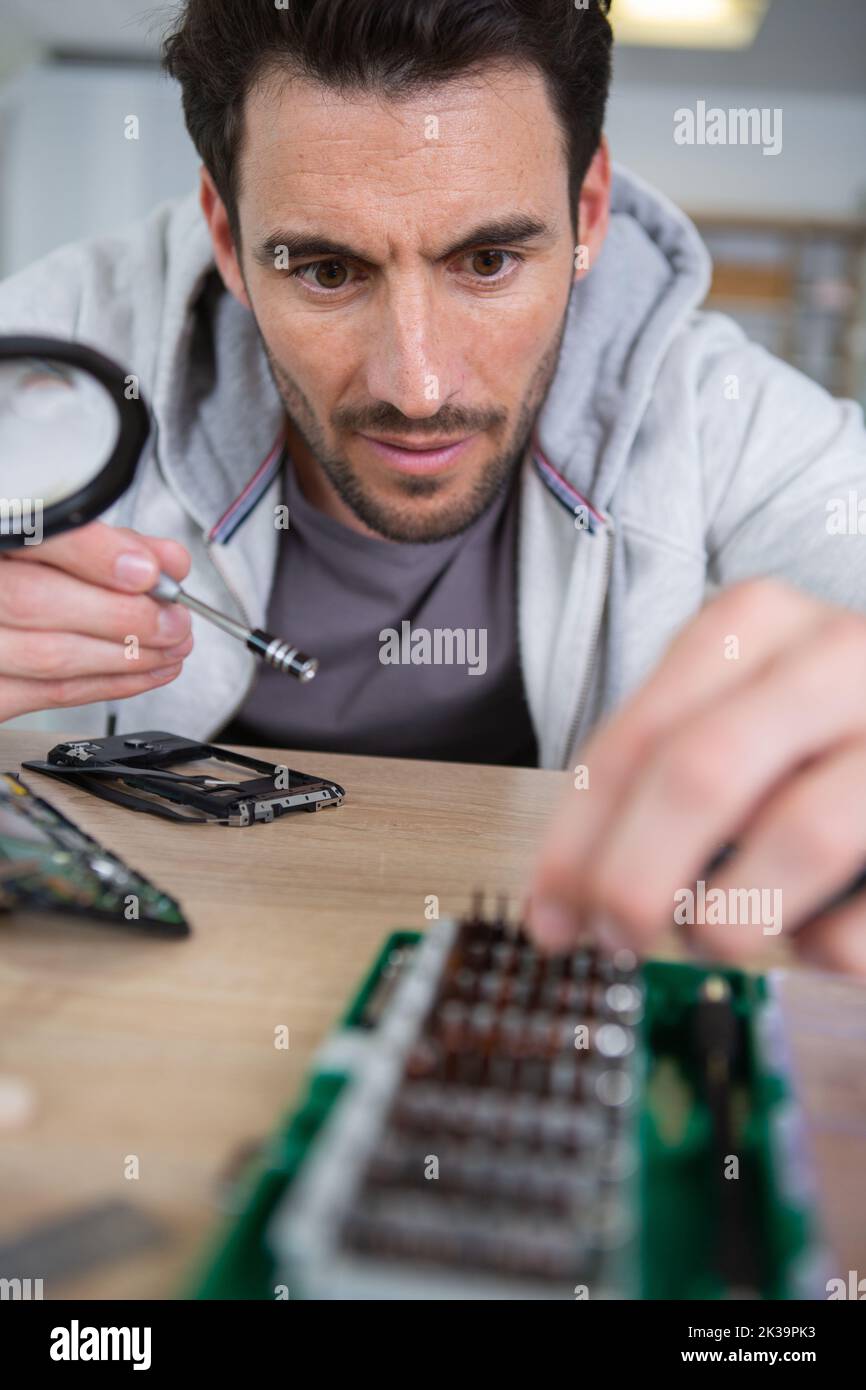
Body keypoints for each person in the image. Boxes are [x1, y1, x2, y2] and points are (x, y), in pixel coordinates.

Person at [1, 1, 865, 972]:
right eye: (326, 270)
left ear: (587, 216)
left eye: (487, 261)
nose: (415, 387)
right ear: (227, 236)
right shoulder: (68, 341)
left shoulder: (706, 402)